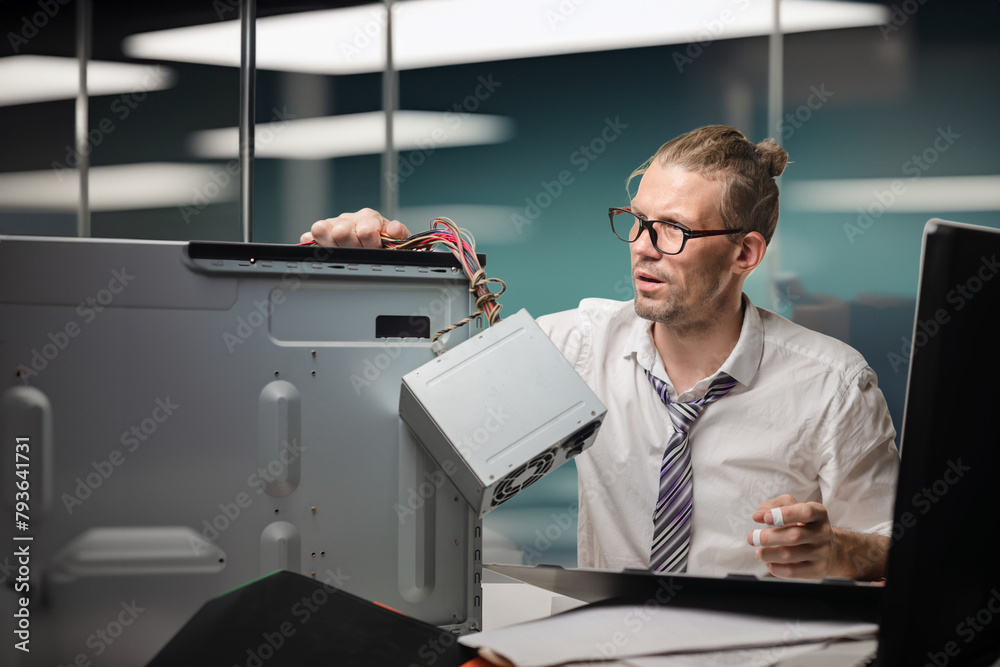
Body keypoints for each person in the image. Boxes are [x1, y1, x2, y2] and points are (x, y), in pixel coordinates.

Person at [301, 125, 899, 581]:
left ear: (746, 253)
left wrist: (842, 550)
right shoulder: (581, 346)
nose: (643, 248)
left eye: (674, 230)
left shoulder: (833, 384)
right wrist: (376, 273)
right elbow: (407, 414)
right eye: (637, 222)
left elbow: (904, 552)